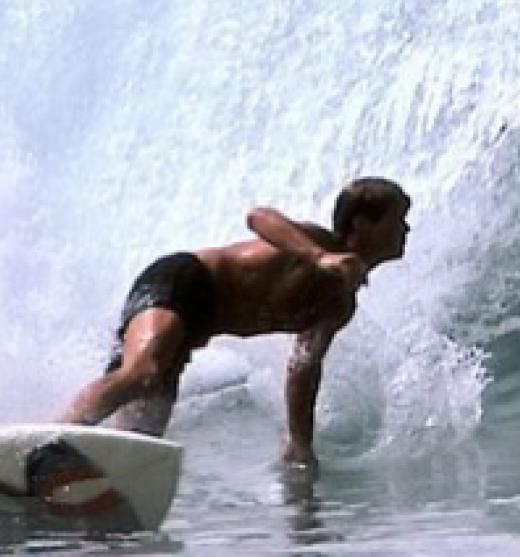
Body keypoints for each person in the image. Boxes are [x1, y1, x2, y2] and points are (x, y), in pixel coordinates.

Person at [59, 177, 410, 468]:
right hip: (182, 282)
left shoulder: (339, 306)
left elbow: (303, 367)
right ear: (363, 224)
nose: (406, 228)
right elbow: (258, 217)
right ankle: (50, 441)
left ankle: (88, 486)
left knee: (139, 437)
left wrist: (300, 444)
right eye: (398, 219)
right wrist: (318, 257)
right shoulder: (312, 242)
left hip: (194, 329)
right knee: (143, 372)